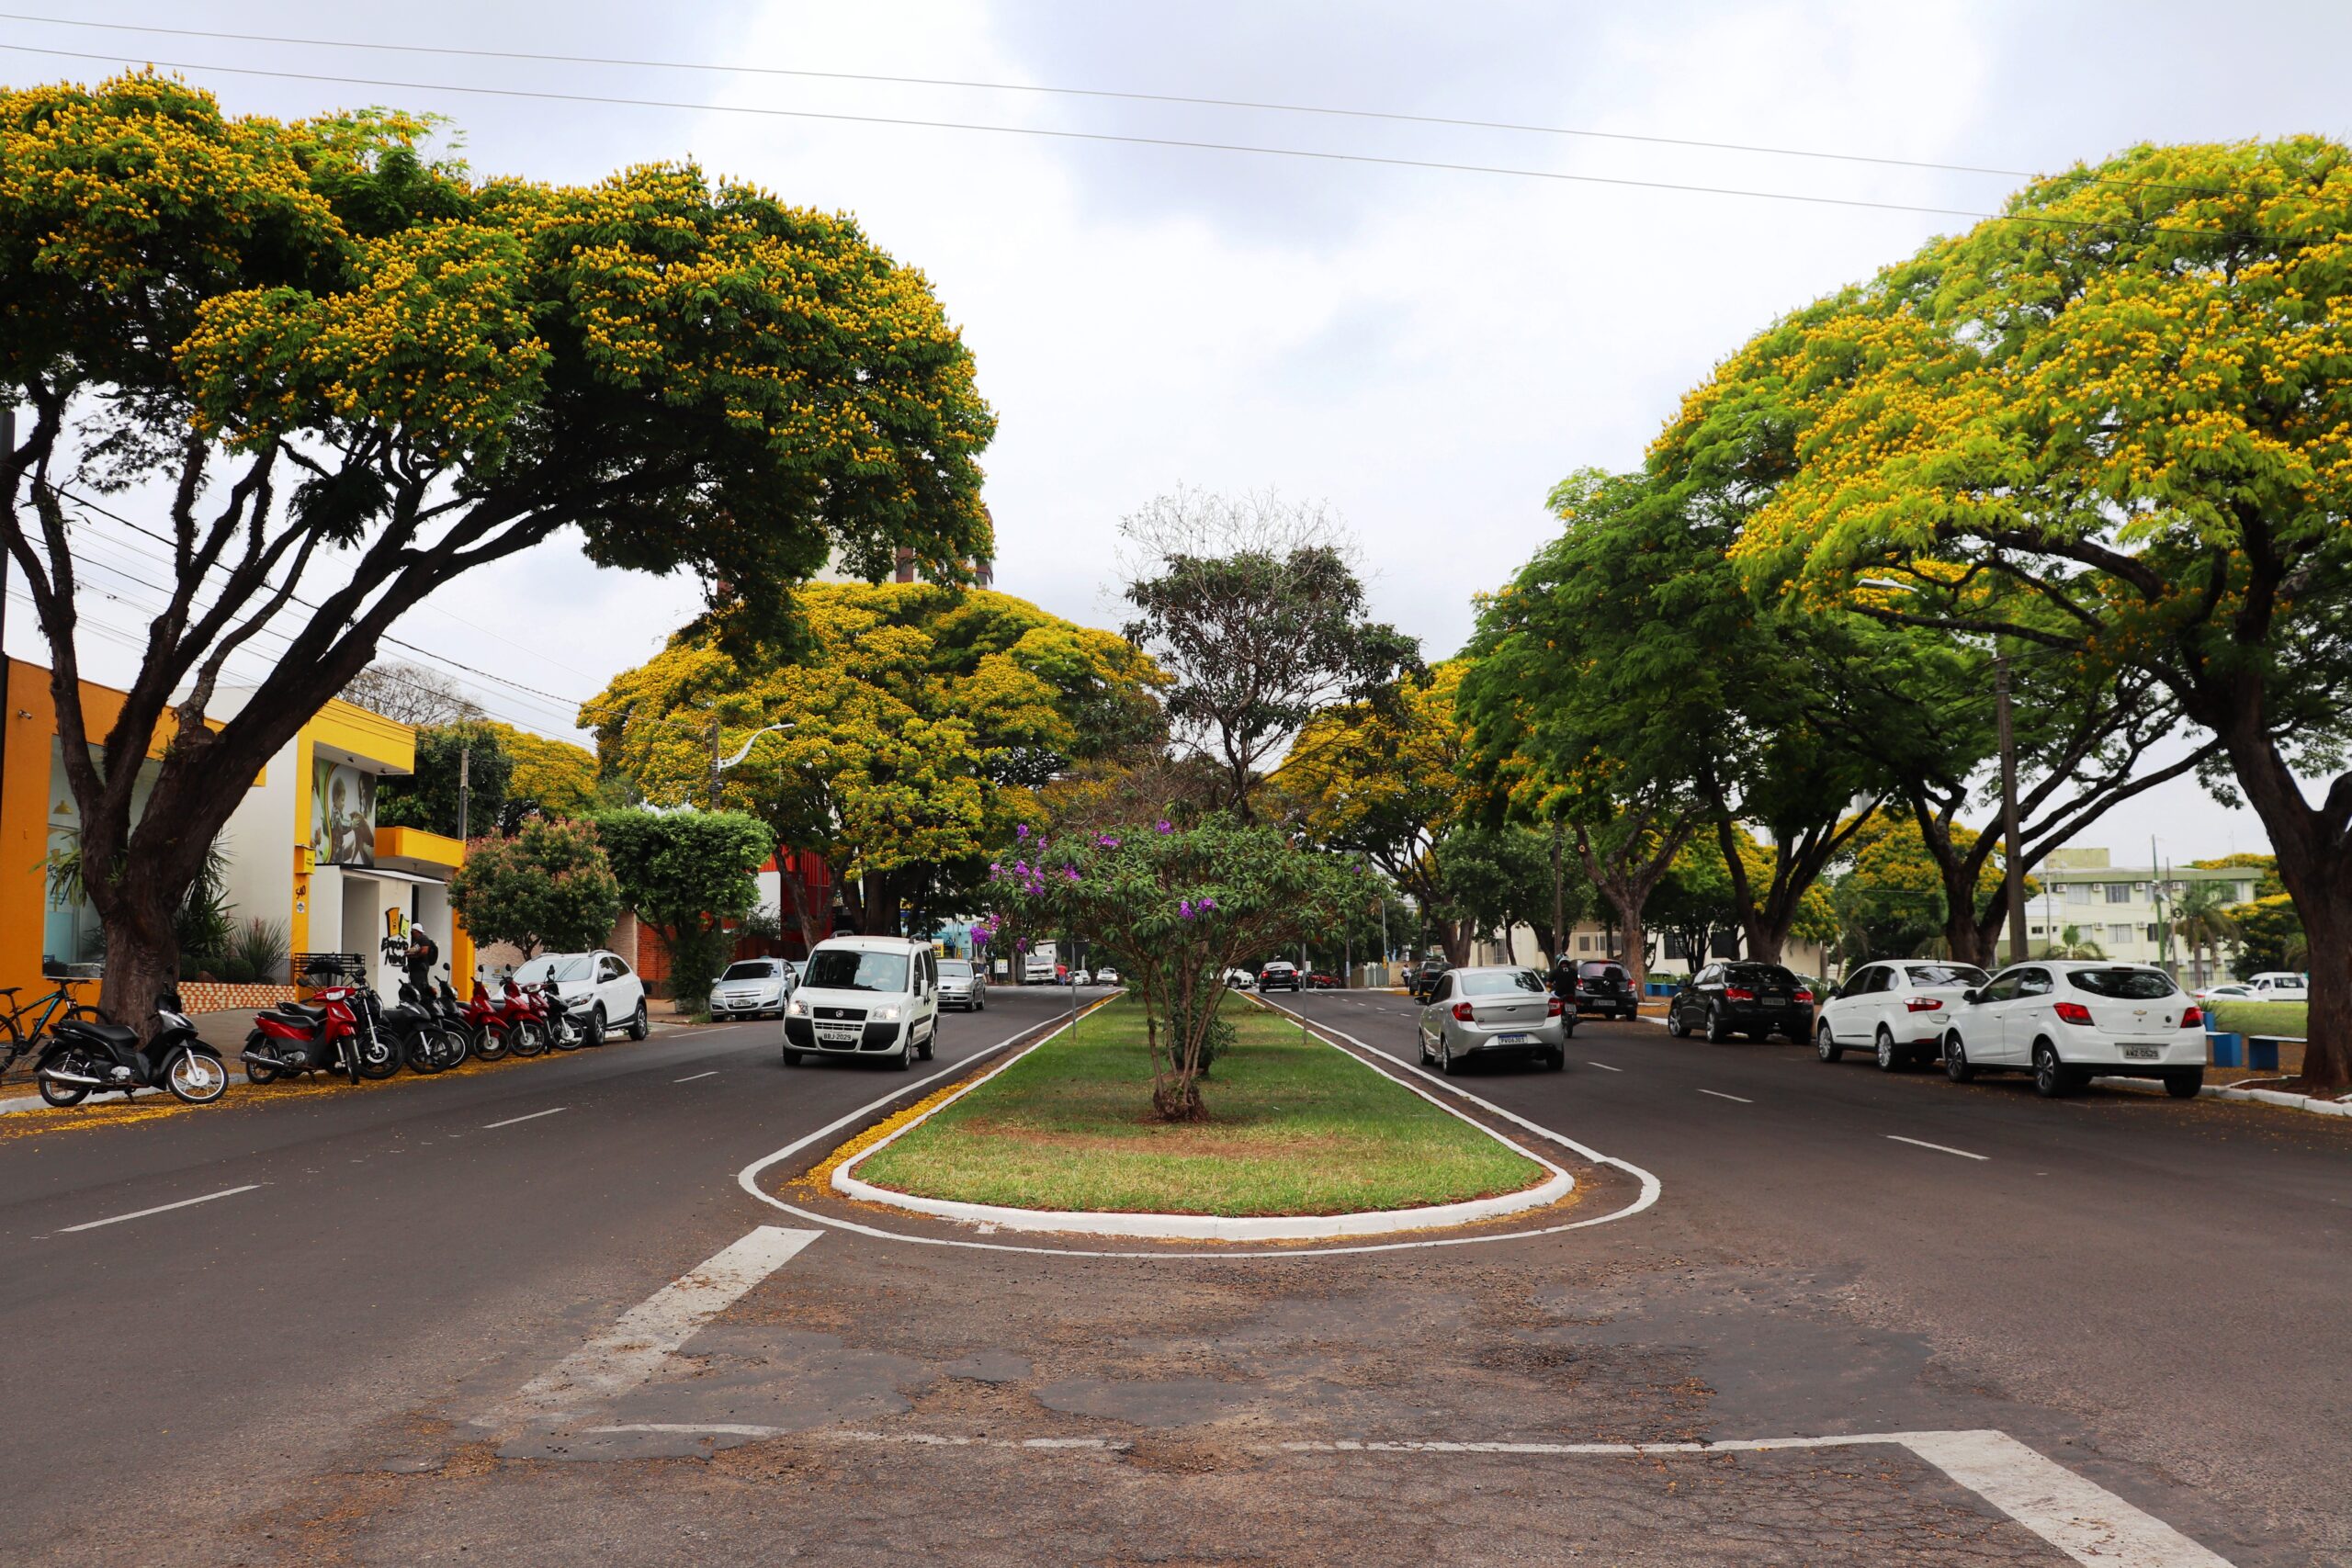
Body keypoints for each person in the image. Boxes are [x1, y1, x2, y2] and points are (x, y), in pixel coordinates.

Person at [405, 928, 439, 994]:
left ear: (416, 931)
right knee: (415, 985)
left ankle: (422, 1000)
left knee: (420, 986)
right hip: (415, 969)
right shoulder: (417, 941)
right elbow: (415, 949)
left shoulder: (423, 939)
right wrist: (408, 952)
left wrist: (414, 956)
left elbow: (424, 951)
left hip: (420, 969)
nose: (412, 933)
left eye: (412, 931)